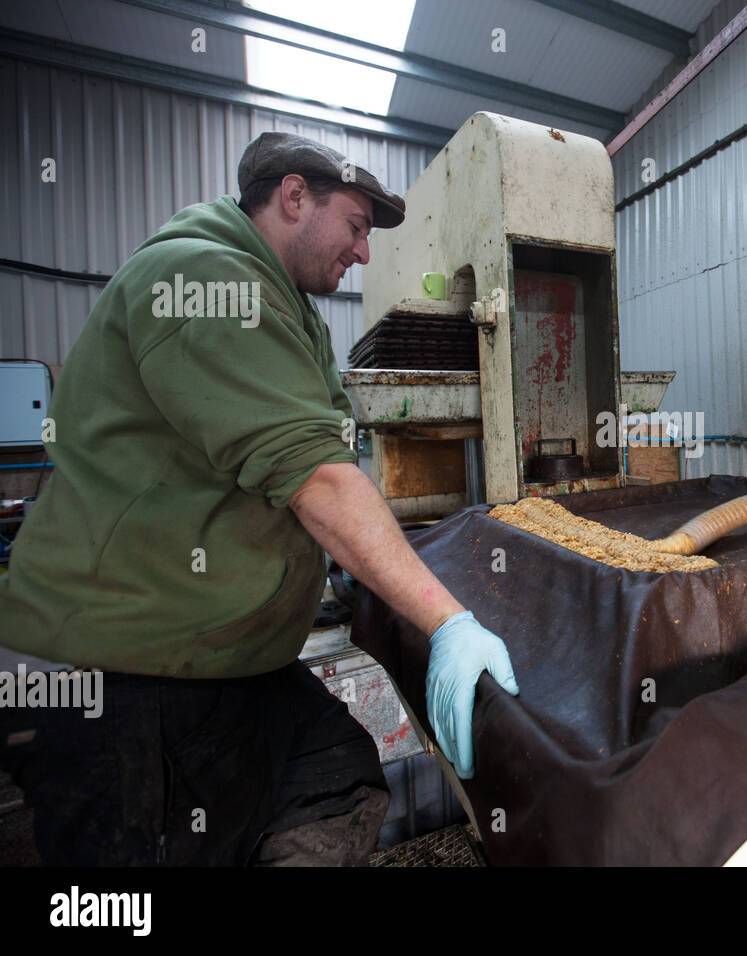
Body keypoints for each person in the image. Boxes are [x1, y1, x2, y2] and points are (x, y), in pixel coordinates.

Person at [0, 132, 517, 865]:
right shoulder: (202, 281)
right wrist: (448, 621)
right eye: (357, 226)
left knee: (333, 777)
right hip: (119, 668)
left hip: (220, 661)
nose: (365, 252)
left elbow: (318, 454)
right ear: (294, 196)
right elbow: (318, 476)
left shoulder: (292, 311)